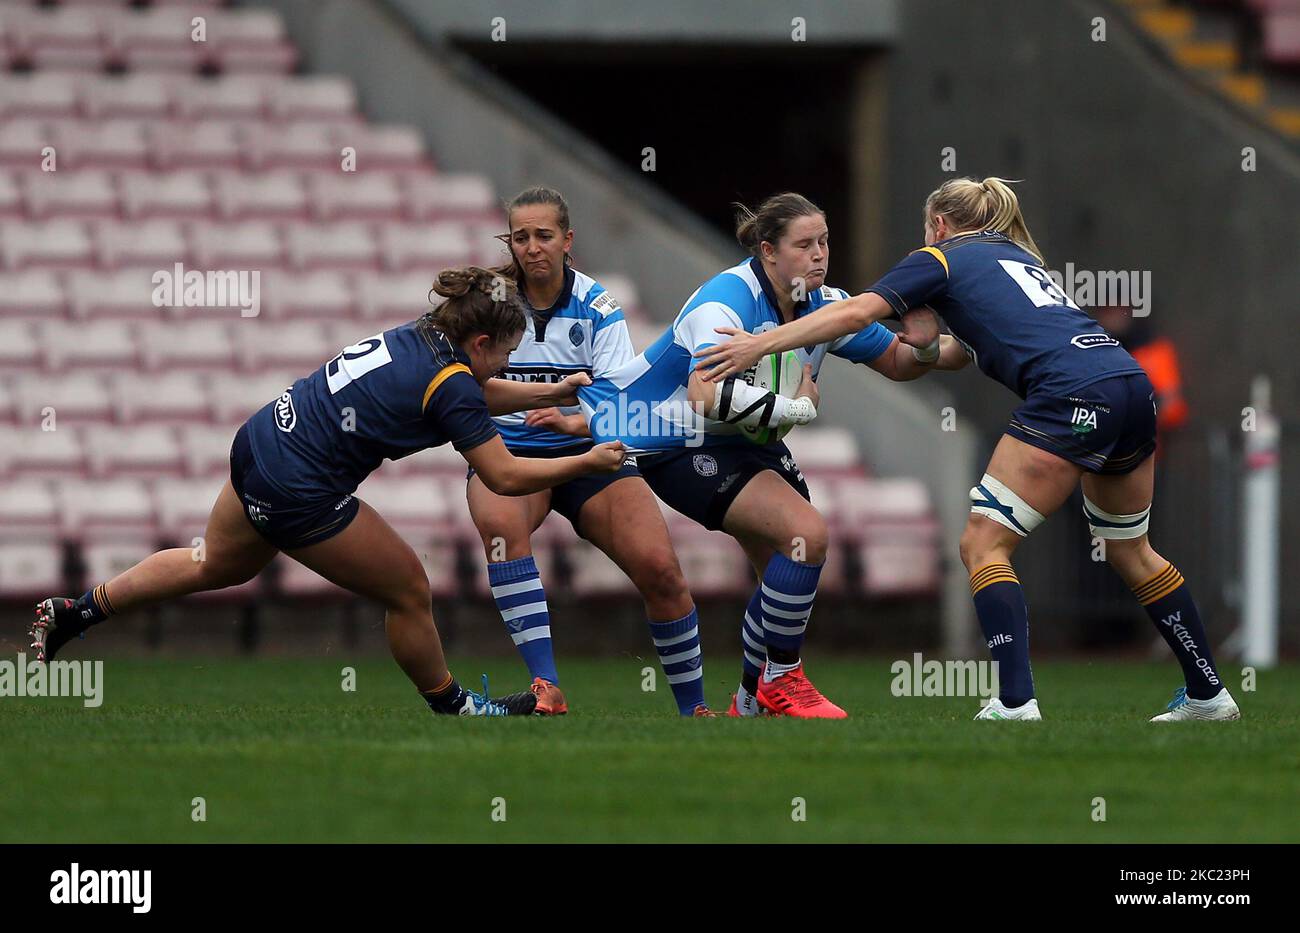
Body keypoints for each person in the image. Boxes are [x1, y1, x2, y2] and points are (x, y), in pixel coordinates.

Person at [694, 177, 1239, 723]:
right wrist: (928, 342)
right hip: (1129, 384)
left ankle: (1015, 701)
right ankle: (1208, 693)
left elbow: (856, 312)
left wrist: (756, 345)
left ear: (938, 224)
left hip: (1071, 396)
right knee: (1131, 551)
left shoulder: (939, 256)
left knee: (984, 544)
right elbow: (975, 346)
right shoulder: (1016, 259)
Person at [31, 266, 627, 717]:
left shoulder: (426, 336)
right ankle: (457, 707)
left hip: (262, 440)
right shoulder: (452, 380)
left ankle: (76, 611)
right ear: (479, 344)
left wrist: (551, 393)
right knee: (410, 590)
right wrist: (586, 460)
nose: (506, 364)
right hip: (300, 485)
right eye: (505, 353)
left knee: (209, 562)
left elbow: (470, 395)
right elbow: (504, 475)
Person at [578, 192, 941, 719]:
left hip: (748, 441)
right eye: (804, 245)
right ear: (769, 252)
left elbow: (898, 360)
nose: (820, 254)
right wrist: (796, 409)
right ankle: (781, 678)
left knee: (781, 570)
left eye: (824, 241)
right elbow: (705, 396)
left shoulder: (823, 305)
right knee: (807, 537)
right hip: (678, 441)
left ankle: (749, 703)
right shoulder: (724, 302)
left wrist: (930, 347)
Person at [467, 186, 708, 717]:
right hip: (508, 451)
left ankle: (695, 711)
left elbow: (621, 408)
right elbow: (461, 385)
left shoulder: (599, 306)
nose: (531, 248)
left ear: (567, 239)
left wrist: (573, 422)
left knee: (661, 570)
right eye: (520, 237)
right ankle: (546, 688)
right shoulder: (487, 301)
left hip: (589, 449)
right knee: (503, 533)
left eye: (543, 236)